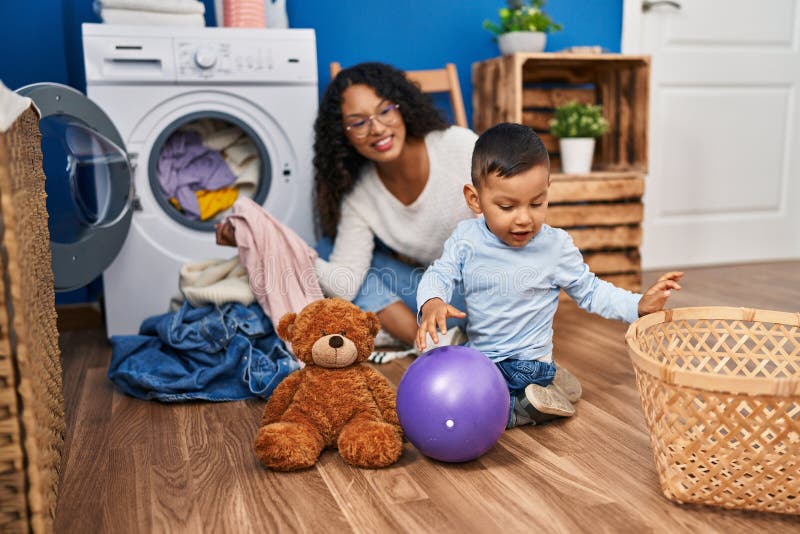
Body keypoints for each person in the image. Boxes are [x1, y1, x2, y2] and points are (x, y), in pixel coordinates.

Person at [416, 123, 683, 428]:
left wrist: (639, 305)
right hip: (484, 358)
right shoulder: (466, 238)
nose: (524, 218)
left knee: (473, 413)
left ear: (547, 191)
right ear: (474, 199)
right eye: (506, 206)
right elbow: (440, 273)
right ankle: (545, 388)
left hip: (526, 365)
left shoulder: (555, 247)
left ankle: (530, 401)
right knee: (449, 365)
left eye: (537, 203)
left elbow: (592, 291)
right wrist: (433, 300)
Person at [218, 62, 477, 348]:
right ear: (343, 135)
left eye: (385, 110)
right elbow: (346, 285)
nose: (377, 128)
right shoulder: (361, 195)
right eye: (358, 122)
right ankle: (438, 346)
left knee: (331, 254)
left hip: (499, 291)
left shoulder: (457, 146)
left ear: (401, 106)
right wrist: (270, 239)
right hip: (440, 301)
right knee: (328, 253)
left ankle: (434, 345)